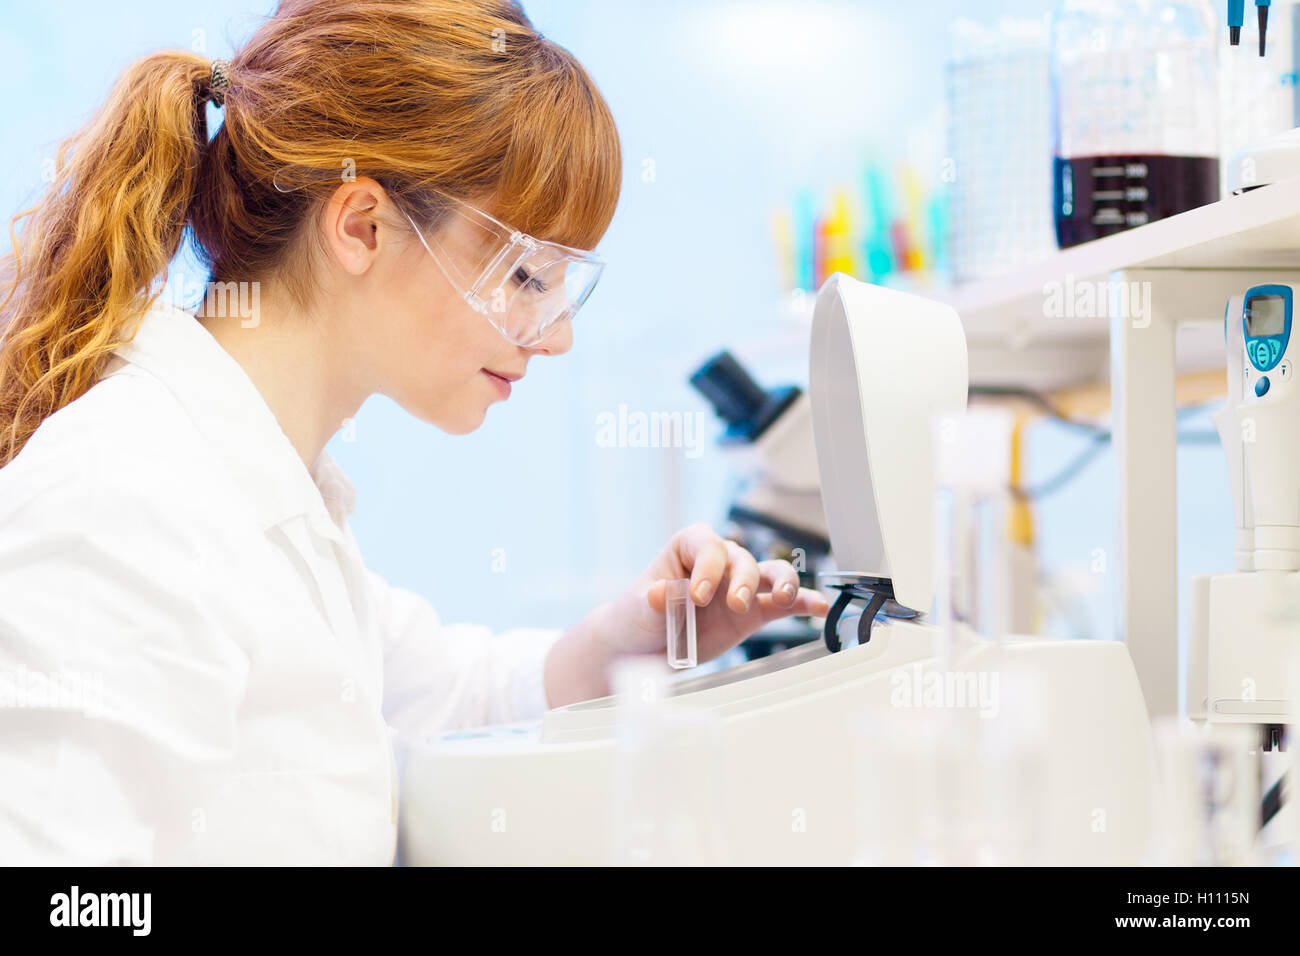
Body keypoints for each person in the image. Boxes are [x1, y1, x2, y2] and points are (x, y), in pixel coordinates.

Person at [0, 0, 830, 864]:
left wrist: (632, 639)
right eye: (523, 272)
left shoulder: (281, 494)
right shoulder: (123, 507)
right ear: (361, 227)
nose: (553, 335)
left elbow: (443, 700)